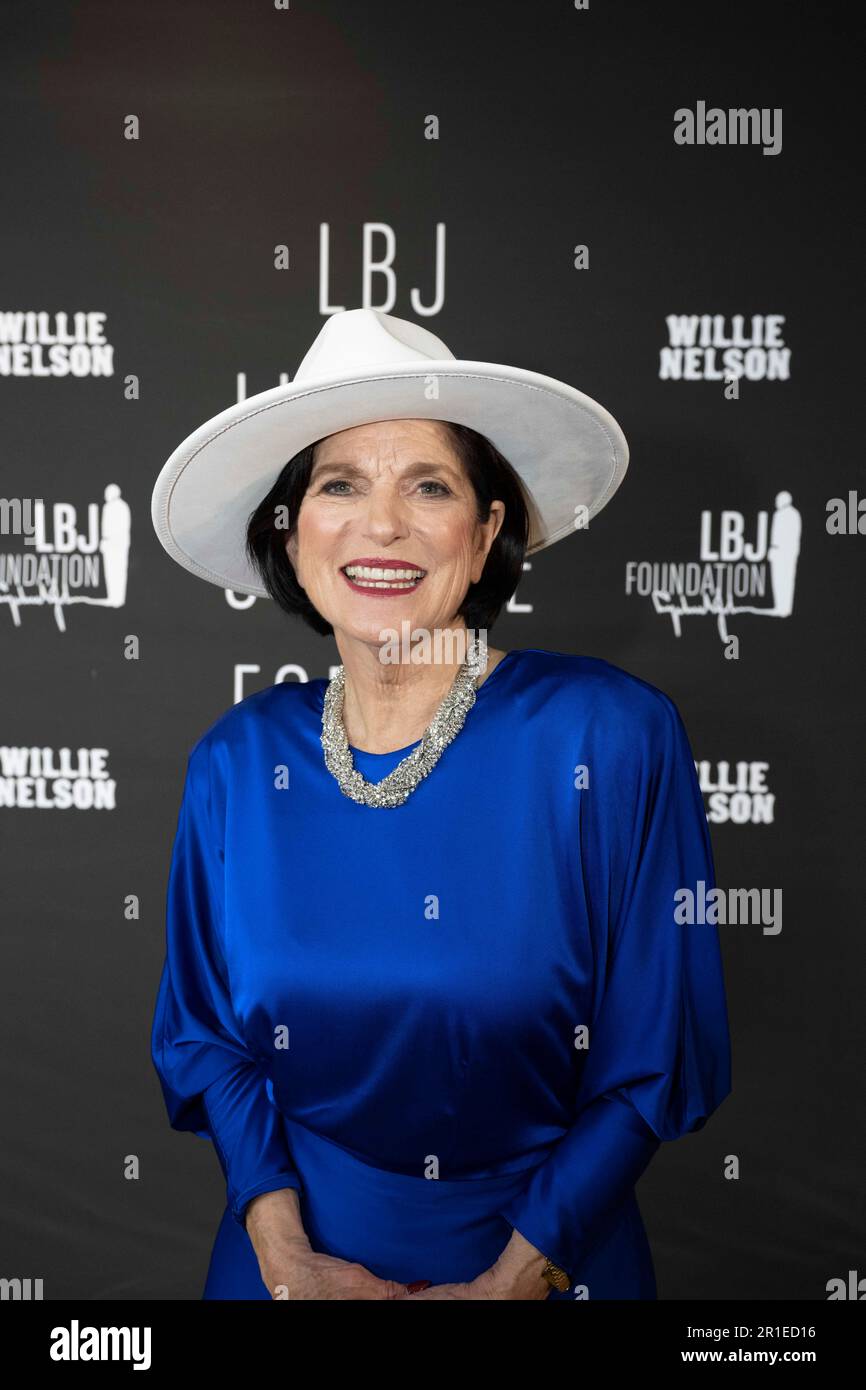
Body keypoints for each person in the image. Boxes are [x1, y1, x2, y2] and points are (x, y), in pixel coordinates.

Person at [149, 308, 732, 1300]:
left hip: (553, 1264)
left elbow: (651, 1057)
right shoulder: (237, 761)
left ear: (486, 529)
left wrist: (514, 1276)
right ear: (291, 536)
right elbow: (207, 1042)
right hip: (283, 1271)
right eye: (339, 484)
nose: (381, 524)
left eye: (428, 485)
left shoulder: (607, 735)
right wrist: (285, 1258)